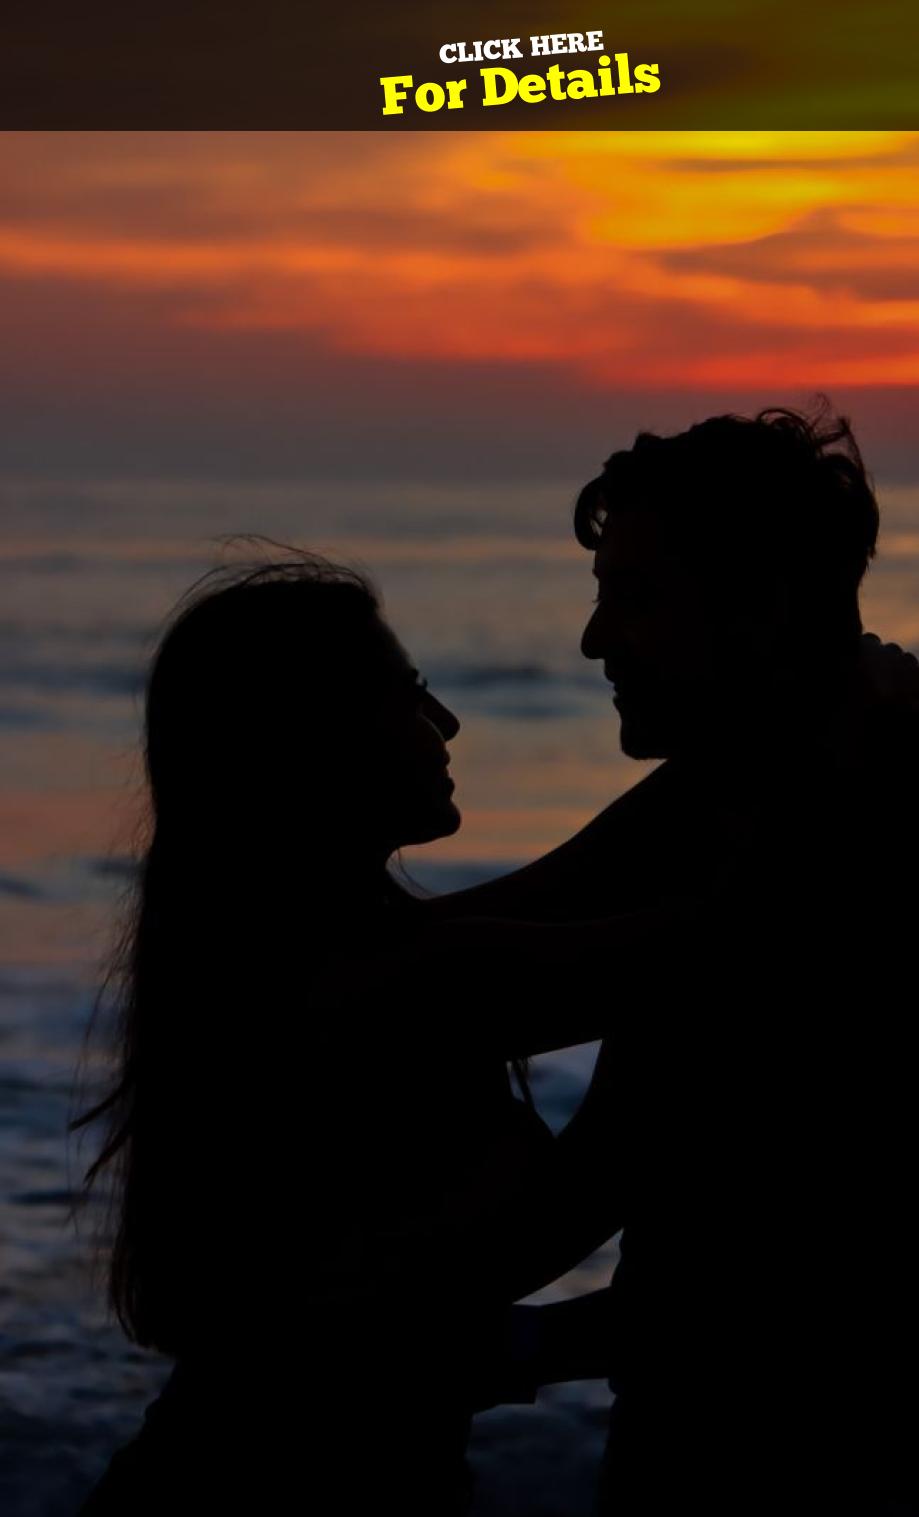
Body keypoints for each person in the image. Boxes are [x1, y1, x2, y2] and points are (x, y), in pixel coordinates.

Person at [429, 405, 919, 1515]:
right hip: (698, 1455)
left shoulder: (884, 857)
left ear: (760, 610)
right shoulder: (732, 820)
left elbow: (848, 1278)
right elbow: (603, 1149)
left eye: (637, 598)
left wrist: (489, 1344)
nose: (595, 640)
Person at [70, 558, 671, 1515]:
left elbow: (598, 871)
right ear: (316, 739)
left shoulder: (287, 949)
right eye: (410, 694)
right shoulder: (390, 976)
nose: (447, 725)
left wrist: (802, 729)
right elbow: (722, 946)